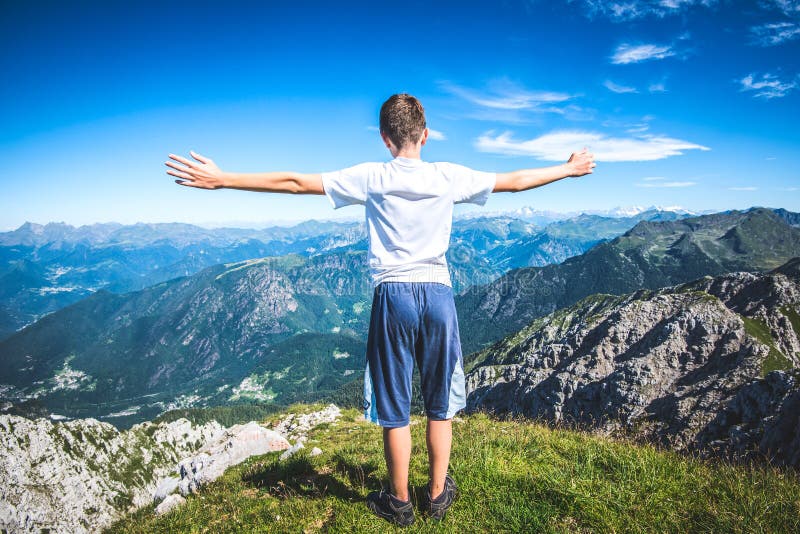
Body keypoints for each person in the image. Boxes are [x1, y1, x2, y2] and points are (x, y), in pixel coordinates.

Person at [165, 93, 596, 526]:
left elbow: (296, 183)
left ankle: (400, 502)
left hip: (394, 295)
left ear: (385, 138)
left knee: (395, 407)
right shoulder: (448, 175)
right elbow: (516, 180)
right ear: (425, 135)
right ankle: (438, 494)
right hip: (440, 294)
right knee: (440, 402)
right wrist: (568, 169)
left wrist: (224, 179)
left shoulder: (372, 176)